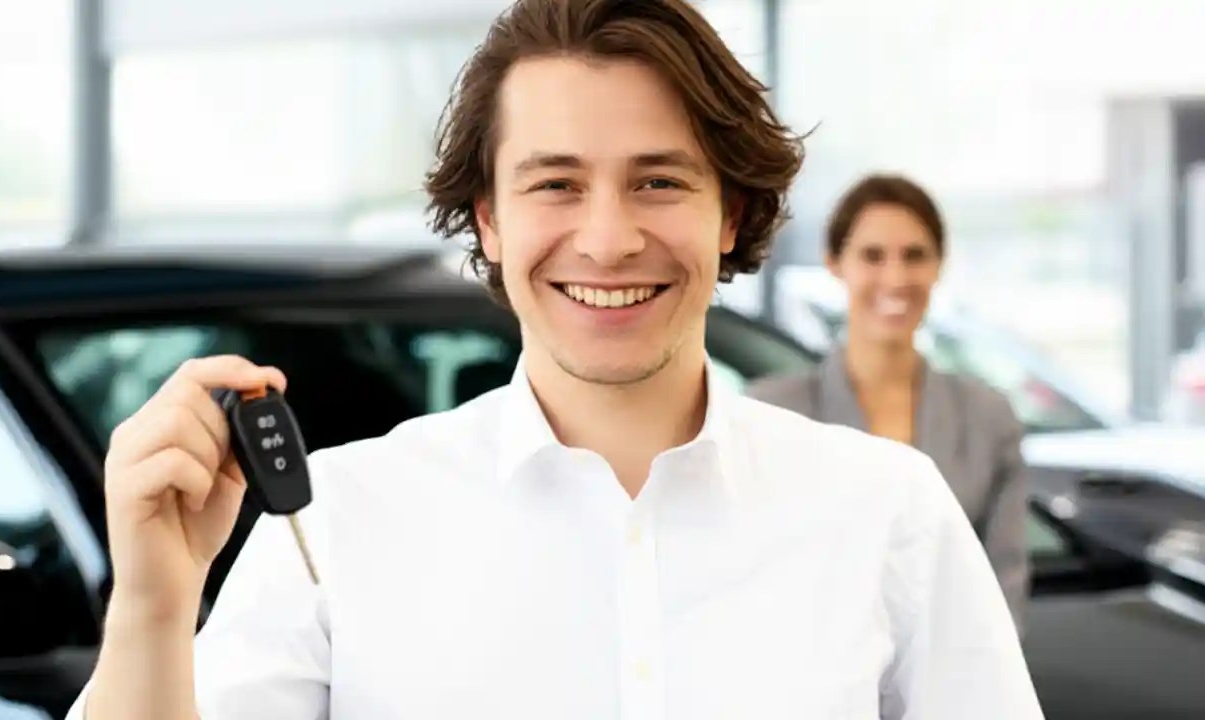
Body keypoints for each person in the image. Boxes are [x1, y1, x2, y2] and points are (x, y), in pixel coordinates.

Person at [68, 1, 1043, 718]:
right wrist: (153, 606)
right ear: (489, 219)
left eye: (657, 182)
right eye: (555, 185)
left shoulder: (886, 512)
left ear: (730, 213)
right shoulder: (334, 523)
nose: (608, 240)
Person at [748, 173, 1031, 631]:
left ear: (939, 266)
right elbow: (753, 581)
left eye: (914, 256)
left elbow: (1004, 589)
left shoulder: (987, 418)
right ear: (834, 263)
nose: (896, 278)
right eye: (873, 256)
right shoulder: (771, 414)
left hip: (954, 669)